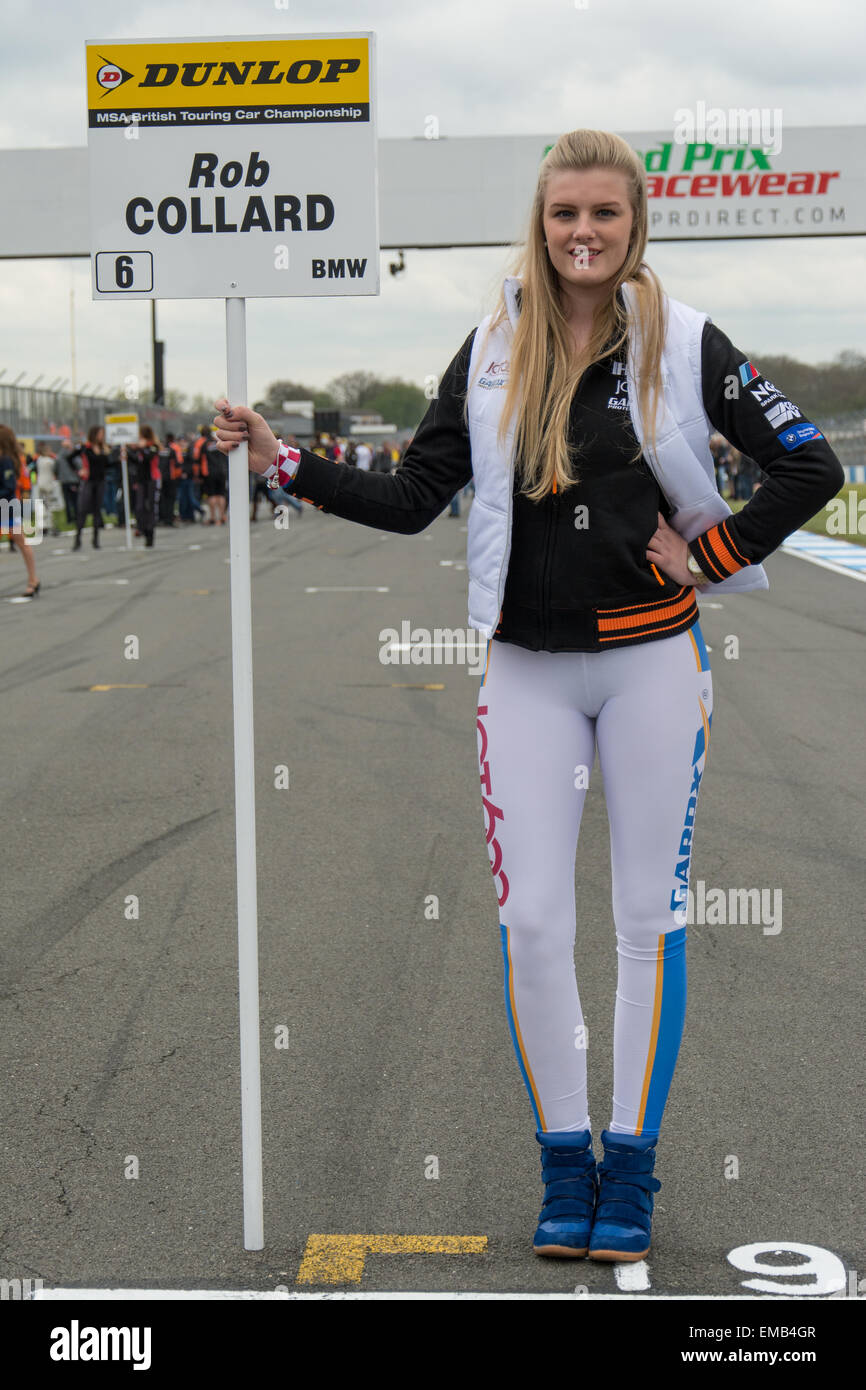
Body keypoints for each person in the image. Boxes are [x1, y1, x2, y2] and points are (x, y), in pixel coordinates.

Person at [212, 128, 843, 1265]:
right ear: (540, 224)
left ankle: (630, 1169)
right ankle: (566, 1166)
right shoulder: (492, 343)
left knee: (644, 922)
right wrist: (281, 460)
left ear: (633, 223)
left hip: (652, 661)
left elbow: (810, 467)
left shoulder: (687, 340)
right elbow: (414, 496)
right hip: (522, 672)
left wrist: (707, 559)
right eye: (564, 215)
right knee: (535, 922)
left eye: (603, 214)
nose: (583, 233)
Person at [0, 423, 40, 596]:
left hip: (7, 506)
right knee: (21, 542)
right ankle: (33, 579)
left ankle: (33, 579)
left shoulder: (7, 460)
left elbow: (8, 486)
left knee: (21, 542)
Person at [69, 425, 109, 550]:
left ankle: (96, 540)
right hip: (88, 482)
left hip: (100, 482)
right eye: (100, 433)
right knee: (83, 511)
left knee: (97, 511)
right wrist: (79, 470)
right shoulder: (85, 447)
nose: (102, 436)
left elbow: (108, 464)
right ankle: (77, 540)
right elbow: (70, 458)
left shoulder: (104, 448)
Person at [125, 425, 160, 547]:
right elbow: (136, 461)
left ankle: (150, 533)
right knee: (139, 507)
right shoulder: (139, 449)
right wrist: (128, 453)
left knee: (150, 506)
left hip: (152, 479)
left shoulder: (153, 447)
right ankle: (142, 528)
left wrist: (141, 448)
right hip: (141, 481)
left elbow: (147, 458)